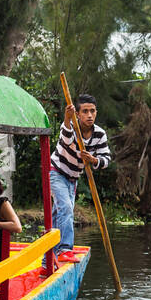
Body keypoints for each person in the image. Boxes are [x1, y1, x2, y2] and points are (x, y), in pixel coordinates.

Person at [48, 93, 111, 255]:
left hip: (73, 178)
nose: (89, 115)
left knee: (58, 214)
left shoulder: (99, 134)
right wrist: (67, 119)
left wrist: (94, 160)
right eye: (85, 111)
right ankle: (65, 249)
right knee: (66, 209)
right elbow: (66, 140)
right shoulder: (69, 127)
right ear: (77, 113)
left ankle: (50, 255)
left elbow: (106, 159)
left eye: (92, 111)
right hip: (56, 172)